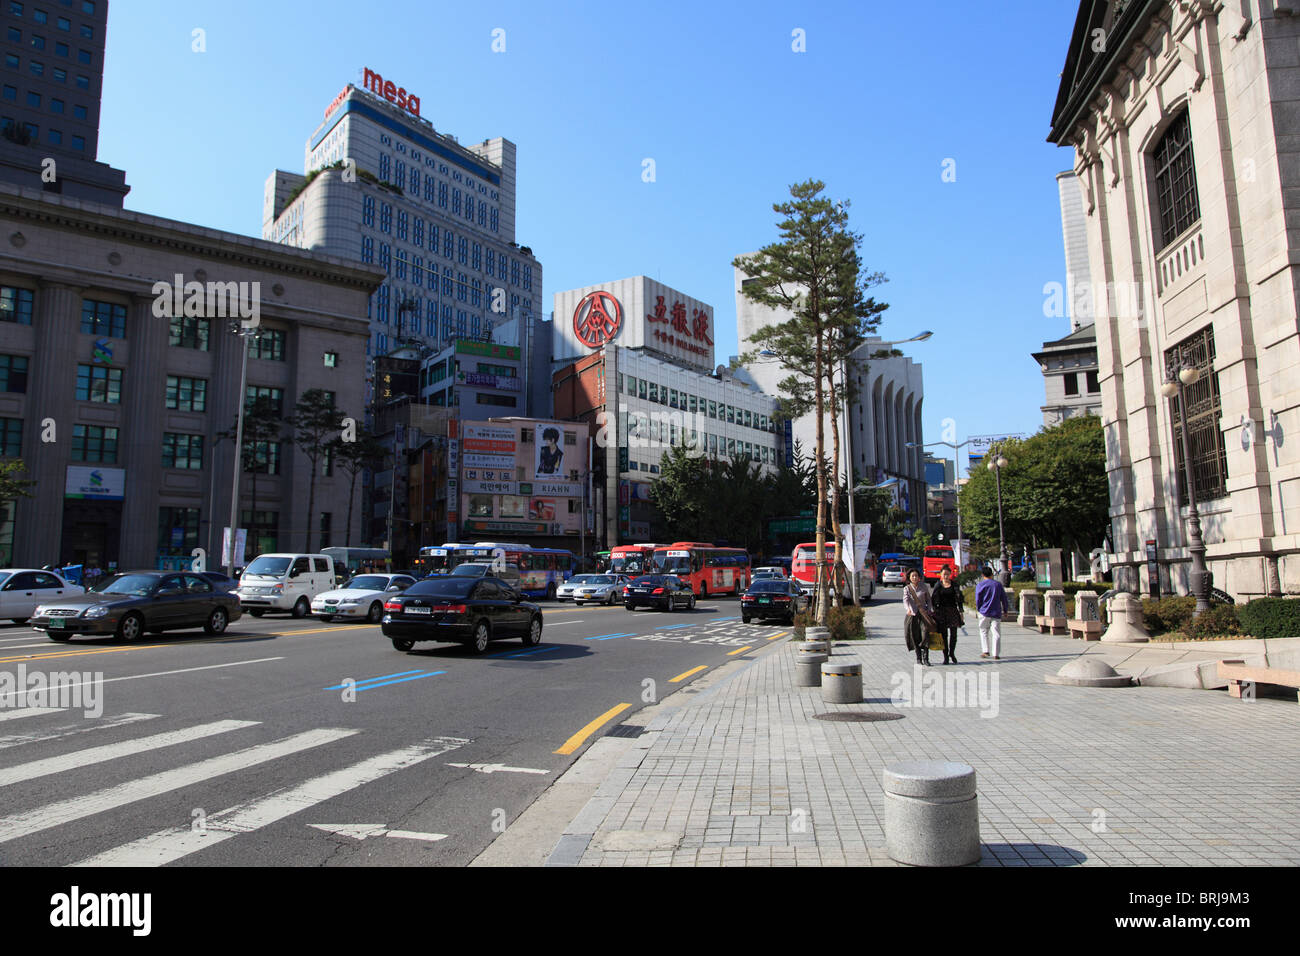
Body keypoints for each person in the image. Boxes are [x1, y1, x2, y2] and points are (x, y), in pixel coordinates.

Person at [975, 565, 1013, 660]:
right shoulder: (998, 585)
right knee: (996, 633)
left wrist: (979, 609)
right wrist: (1005, 610)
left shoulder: (980, 585)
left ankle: (985, 651)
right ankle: (996, 653)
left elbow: (978, 599)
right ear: (992, 574)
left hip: (984, 612)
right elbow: (1004, 598)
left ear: (983, 575)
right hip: (996, 611)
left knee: (983, 631)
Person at [931, 565, 965, 664]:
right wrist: (934, 611)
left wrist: (961, 612)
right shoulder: (938, 585)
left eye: (947, 574)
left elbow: (959, 599)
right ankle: (945, 656)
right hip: (941, 612)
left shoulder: (955, 585)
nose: (945, 576)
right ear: (941, 575)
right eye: (944, 574)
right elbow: (933, 599)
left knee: (953, 634)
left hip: (953, 611)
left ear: (950, 574)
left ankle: (952, 653)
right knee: (944, 635)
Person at [902, 568, 937, 667]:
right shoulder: (907, 588)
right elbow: (906, 601)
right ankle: (918, 658)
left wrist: (930, 610)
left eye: (916, 576)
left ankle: (926, 658)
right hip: (912, 615)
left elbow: (929, 600)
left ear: (919, 577)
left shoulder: (924, 587)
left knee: (925, 633)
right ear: (909, 578)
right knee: (915, 636)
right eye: (912, 576)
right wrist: (908, 609)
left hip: (924, 614)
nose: (914, 577)